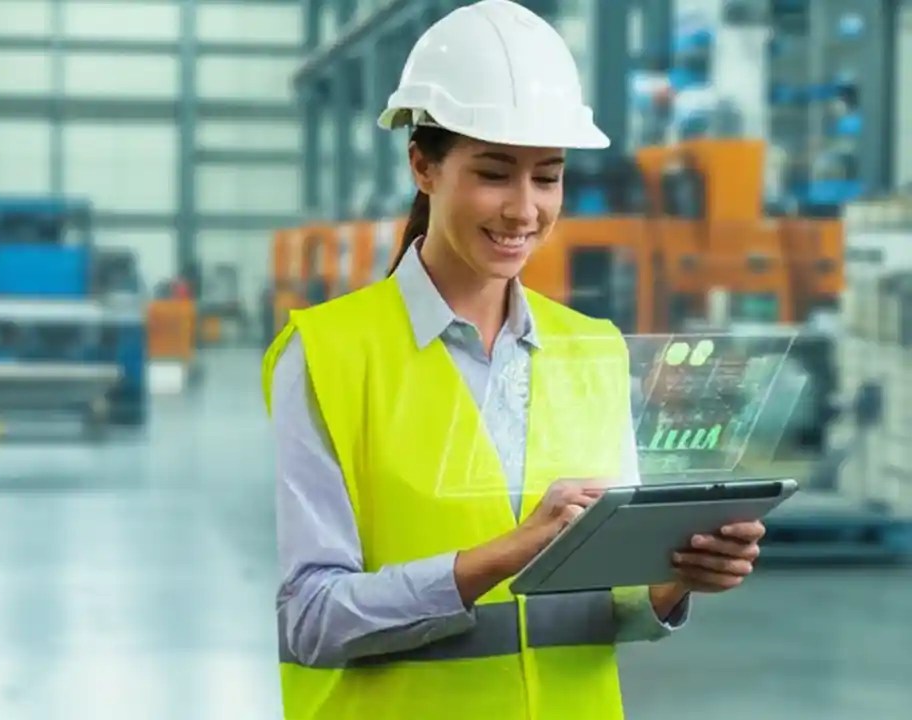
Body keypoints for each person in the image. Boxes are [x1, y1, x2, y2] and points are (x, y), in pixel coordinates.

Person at [260, 2, 765, 719]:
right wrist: (504, 553)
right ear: (422, 165)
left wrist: (673, 581)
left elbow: (602, 606)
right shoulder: (330, 356)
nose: (524, 210)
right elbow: (311, 619)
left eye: (548, 177)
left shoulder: (592, 349)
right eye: (495, 173)